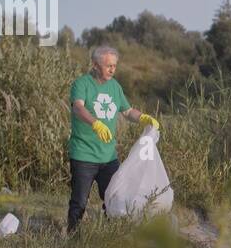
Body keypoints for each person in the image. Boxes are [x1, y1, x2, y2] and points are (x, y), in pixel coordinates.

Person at [66, 46, 160, 234]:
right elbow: (78, 107)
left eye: (114, 66)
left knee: (114, 197)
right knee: (80, 201)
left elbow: (127, 111)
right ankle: (72, 237)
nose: (112, 69)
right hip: (84, 155)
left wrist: (143, 118)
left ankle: (110, 235)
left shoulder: (115, 87)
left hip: (108, 157)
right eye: (108, 66)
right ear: (95, 65)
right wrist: (95, 123)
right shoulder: (82, 84)